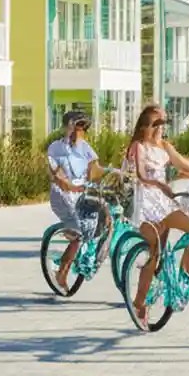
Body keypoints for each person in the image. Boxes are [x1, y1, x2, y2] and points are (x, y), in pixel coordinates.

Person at [126, 103, 189, 328]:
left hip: (165, 202)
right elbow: (139, 175)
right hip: (147, 203)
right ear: (145, 126)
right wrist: (159, 183)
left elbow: (185, 167)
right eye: (154, 123)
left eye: (162, 123)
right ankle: (139, 303)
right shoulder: (138, 147)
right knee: (154, 253)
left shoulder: (165, 146)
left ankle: (183, 279)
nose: (159, 128)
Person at [46, 110, 108, 291]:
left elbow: (95, 170)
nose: (78, 132)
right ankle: (62, 271)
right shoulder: (56, 148)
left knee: (107, 217)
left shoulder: (85, 148)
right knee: (78, 234)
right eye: (75, 127)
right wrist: (71, 186)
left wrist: (115, 173)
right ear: (66, 127)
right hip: (62, 196)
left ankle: (91, 256)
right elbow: (57, 176)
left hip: (82, 195)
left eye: (82, 128)